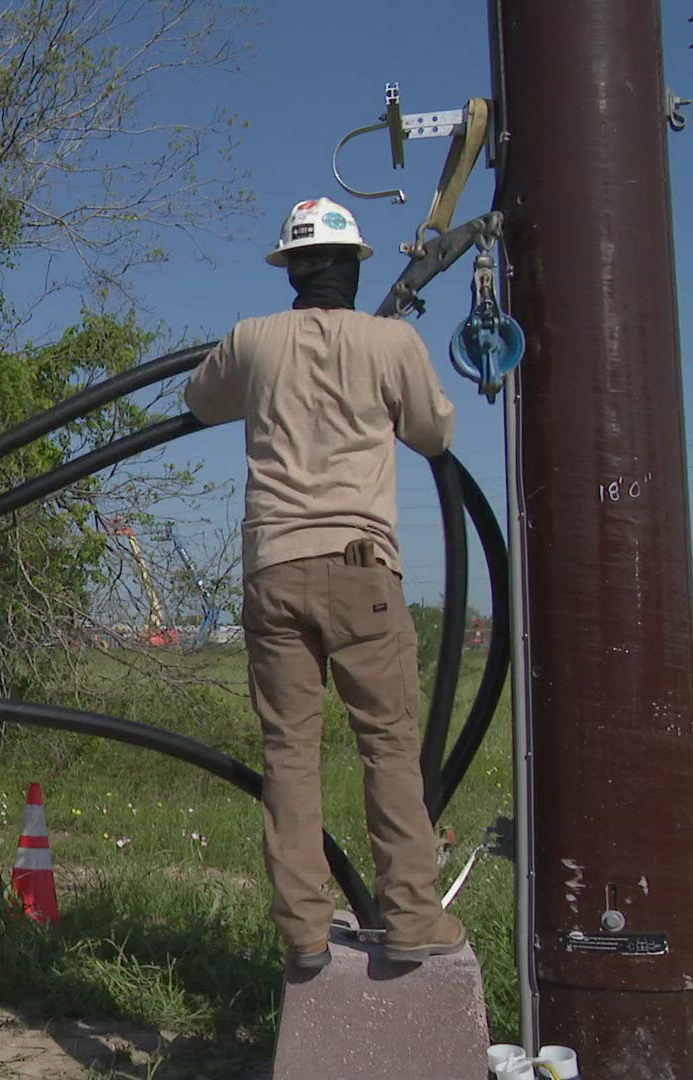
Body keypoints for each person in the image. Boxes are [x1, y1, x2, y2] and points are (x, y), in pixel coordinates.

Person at [184, 197, 464, 971]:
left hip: (273, 569)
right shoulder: (390, 341)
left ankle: (304, 931)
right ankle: (411, 914)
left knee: (290, 751)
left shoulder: (252, 340)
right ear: (354, 266)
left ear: (291, 271)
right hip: (359, 568)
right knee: (389, 745)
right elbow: (435, 431)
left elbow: (199, 400)